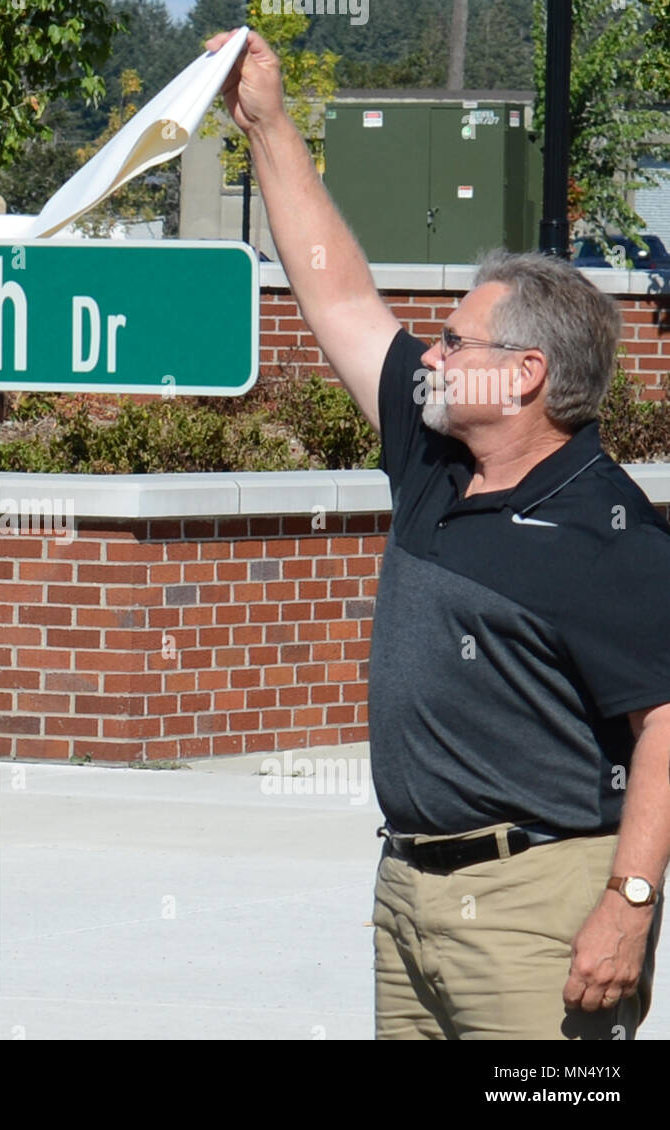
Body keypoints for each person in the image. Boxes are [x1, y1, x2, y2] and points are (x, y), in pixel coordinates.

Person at [209, 28, 670, 1039]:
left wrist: (628, 905)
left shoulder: (606, 529)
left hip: (538, 910)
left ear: (524, 376)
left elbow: (665, 725)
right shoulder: (433, 458)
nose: (433, 350)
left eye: (456, 339)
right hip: (407, 893)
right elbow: (335, 291)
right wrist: (270, 126)